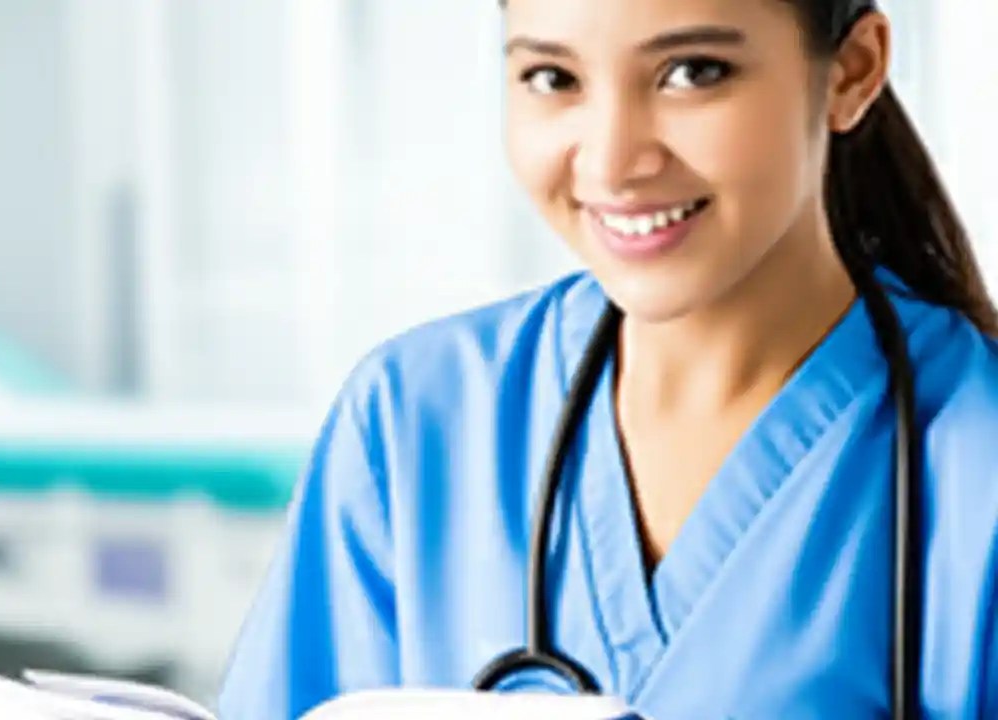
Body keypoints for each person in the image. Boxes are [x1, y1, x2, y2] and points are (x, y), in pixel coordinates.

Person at [216, 0, 998, 717]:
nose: (613, 161)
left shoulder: (974, 459)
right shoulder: (413, 419)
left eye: (693, 73)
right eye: (553, 78)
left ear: (851, 72)